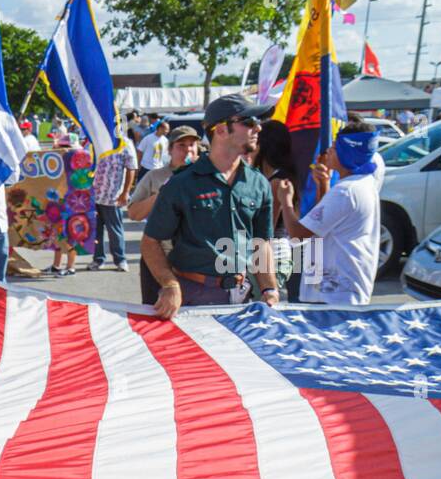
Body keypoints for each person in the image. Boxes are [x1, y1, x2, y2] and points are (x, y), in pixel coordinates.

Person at [141, 94, 278, 319]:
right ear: (221, 130)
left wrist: (269, 289)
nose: (258, 128)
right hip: (192, 296)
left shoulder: (259, 182)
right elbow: (151, 241)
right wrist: (170, 285)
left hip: (242, 296)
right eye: (249, 122)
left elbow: (261, 243)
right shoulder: (182, 183)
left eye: (258, 122)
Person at [273, 120, 382, 306]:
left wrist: (286, 200)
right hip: (342, 293)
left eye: (334, 147)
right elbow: (324, 224)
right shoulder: (364, 182)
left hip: (333, 297)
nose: (328, 152)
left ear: (347, 152)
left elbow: (298, 235)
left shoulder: (346, 191)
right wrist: (322, 185)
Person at [127, 125, 200, 304]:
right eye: (181, 145)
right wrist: (160, 195)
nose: (187, 150)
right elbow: (134, 213)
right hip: (158, 256)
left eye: (192, 145)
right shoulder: (155, 176)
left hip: (194, 257)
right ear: (170, 150)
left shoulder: (205, 177)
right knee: (156, 310)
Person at [252, 118, 300, 299]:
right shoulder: (284, 175)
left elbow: (266, 228)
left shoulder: (277, 181)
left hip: (271, 255)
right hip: (273, 252)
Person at [88, 141, 136, 271]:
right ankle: (98, 260)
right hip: (93, 196)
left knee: (115, 230)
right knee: (95, 231)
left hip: (112, 197)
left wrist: (126, 192)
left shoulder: (124, 143)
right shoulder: (95, 139)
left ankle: (120, 260)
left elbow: (131, 168)